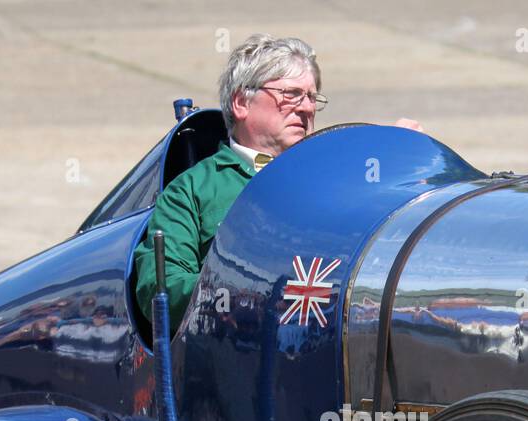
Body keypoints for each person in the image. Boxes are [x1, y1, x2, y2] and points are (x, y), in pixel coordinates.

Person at [132, 34, 420, 326]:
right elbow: (160, 290)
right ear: (241, 102)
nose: (307, 108)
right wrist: (241, 289)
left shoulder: (337, 175)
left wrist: (395, 156)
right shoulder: (192, 190)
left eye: (311, 97)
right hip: (241, 350)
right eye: (291, 94)